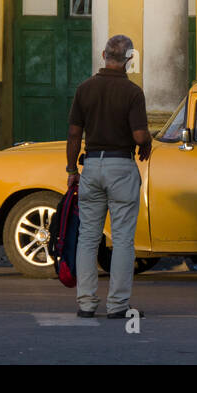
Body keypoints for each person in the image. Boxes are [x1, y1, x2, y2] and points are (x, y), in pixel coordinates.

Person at [65, 34, 152, 320]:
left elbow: (74, 134)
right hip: (121, 167)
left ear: (103, 56)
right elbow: (139, 135)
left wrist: (71, 171)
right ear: (129, 60)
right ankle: (117, 305)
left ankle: (86, 303)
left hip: (91, 167)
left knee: (88, 238)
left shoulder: (84, 89)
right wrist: (147, 142)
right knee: (123, 239)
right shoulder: (132, 92)